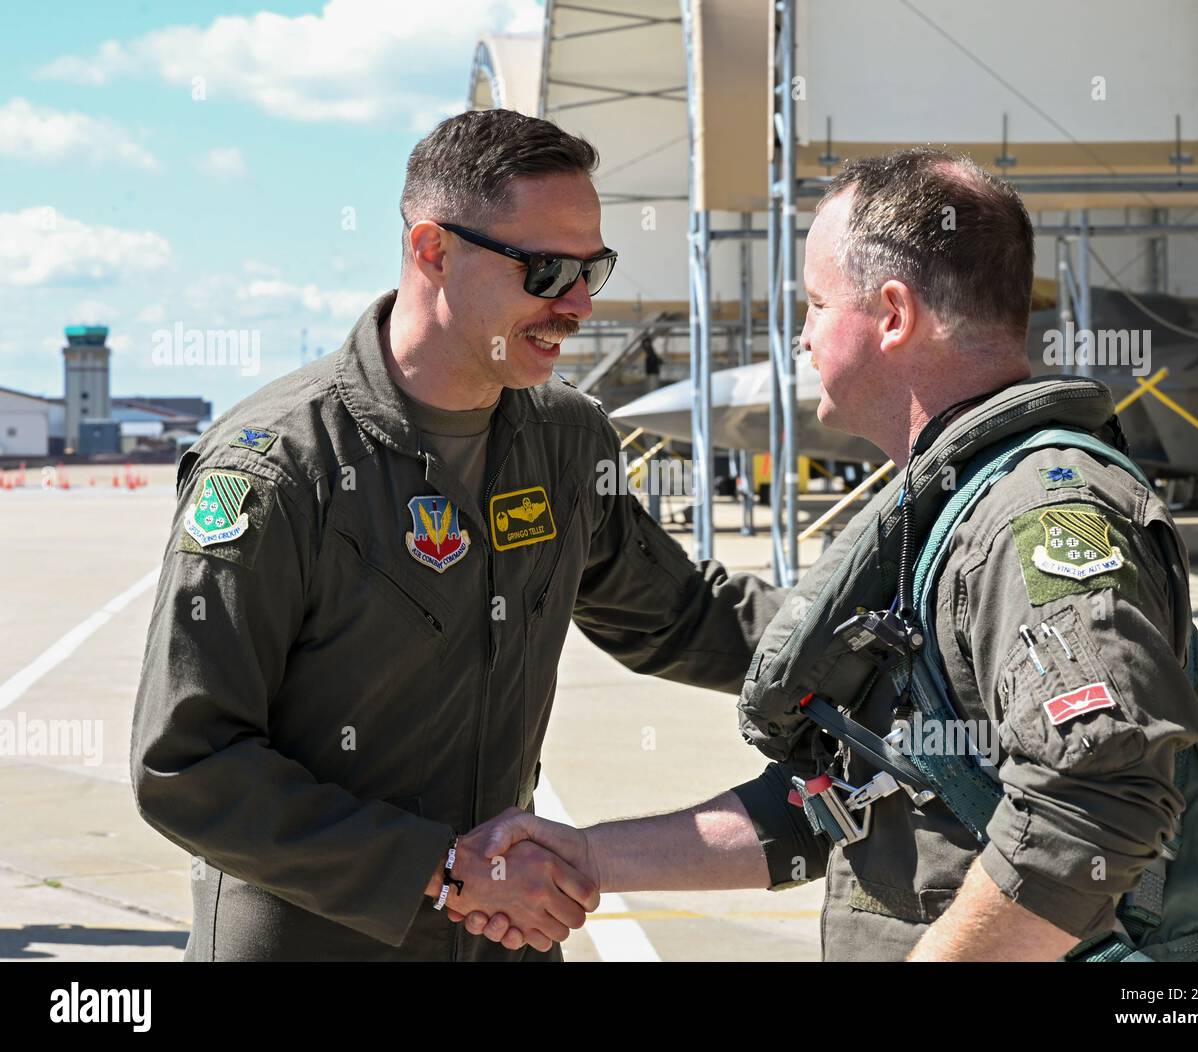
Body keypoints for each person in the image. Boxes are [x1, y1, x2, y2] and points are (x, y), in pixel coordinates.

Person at [459, 148, 1198, 962]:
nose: (802, 337)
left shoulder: (1036, 515)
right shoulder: (945, 518)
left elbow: (1096, 803)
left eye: (813, 304)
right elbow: (845, 799)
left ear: (893, 314)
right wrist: (589, 857)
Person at [129, 109, 784, 962]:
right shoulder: (279, 469)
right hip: (320, 940)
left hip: (508, 933)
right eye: (547, 271)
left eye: (593, 269)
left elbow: (678, 615)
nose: (579, 304)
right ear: (433, 250)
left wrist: (876, 649)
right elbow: (188, 762)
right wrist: (438, 872)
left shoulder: (565, 439)